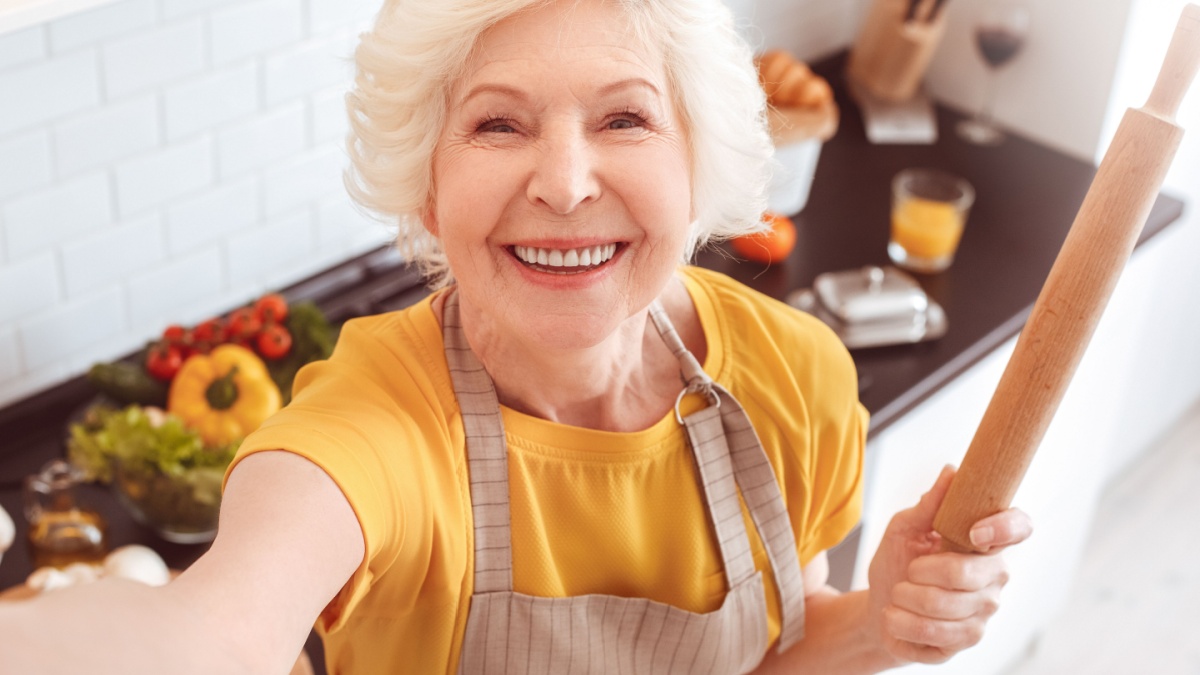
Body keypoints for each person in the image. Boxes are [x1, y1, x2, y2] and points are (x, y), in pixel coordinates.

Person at [0, 0, 1032, 673]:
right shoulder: (374, 426)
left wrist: (881, 621)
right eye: (498, 125)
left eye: (625, 120)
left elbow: (778, 648)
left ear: (696, 163)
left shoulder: (792, 375)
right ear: (428, 186)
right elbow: (216, 633)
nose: (567, 182)